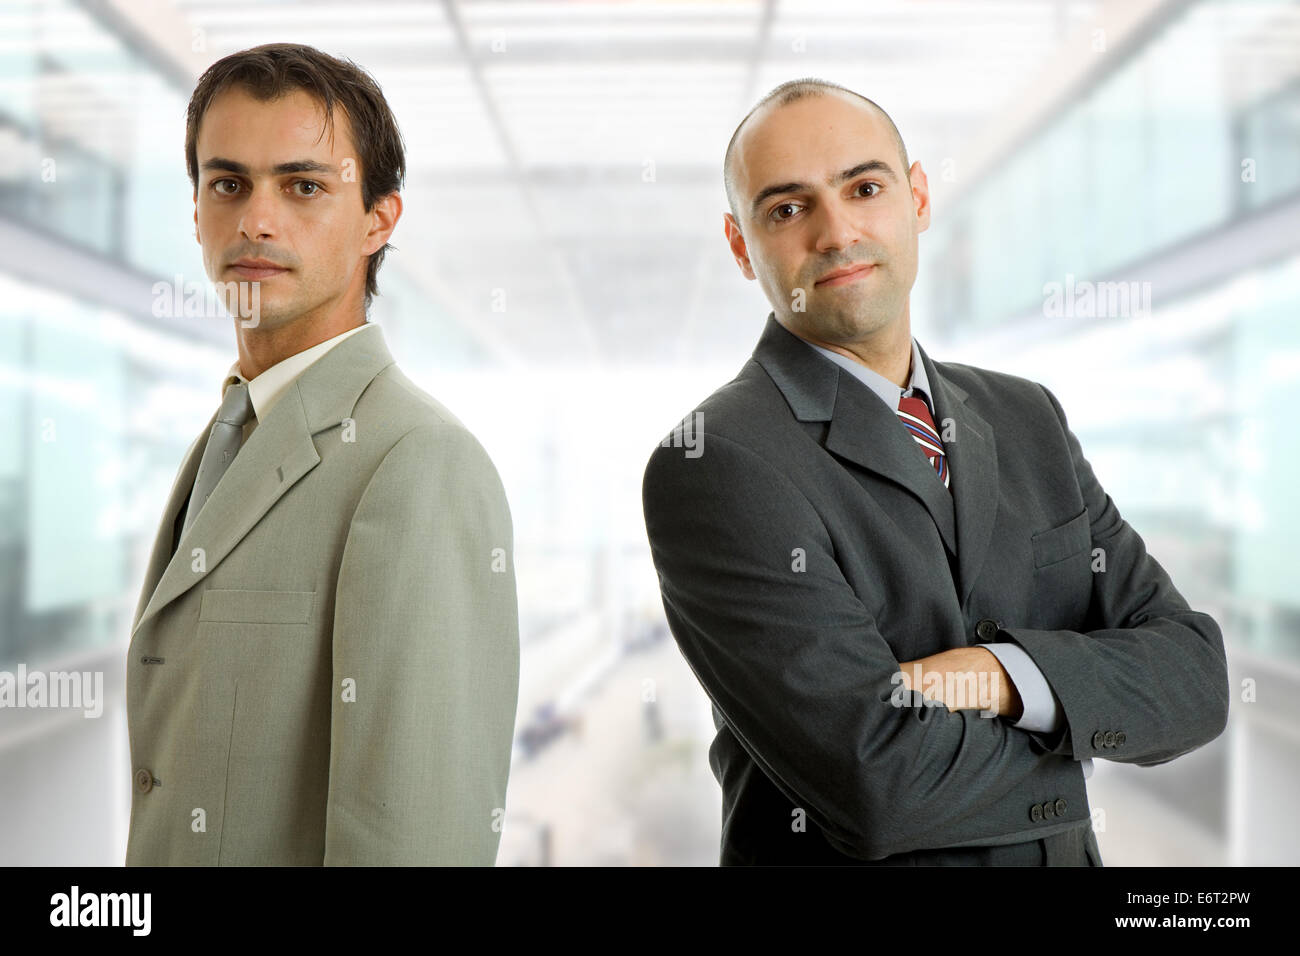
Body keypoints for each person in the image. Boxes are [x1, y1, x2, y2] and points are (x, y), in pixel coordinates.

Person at [641, 78, 1229, 866]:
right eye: (788, 209)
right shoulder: (715, 462)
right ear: (742, 246)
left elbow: (1195, 678)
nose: (837, 230)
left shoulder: (1028, 419)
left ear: (916, 197)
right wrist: (1082, 728)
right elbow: (877, 784)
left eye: (865, 187)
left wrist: (1004, 675)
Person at [127, 43, 519, 865]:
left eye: (304, 186)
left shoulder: (418, 463)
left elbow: (416, 838)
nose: (256, 220)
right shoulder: (226, 435)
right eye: (227, 184)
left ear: (380, 218)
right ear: (196, 211)